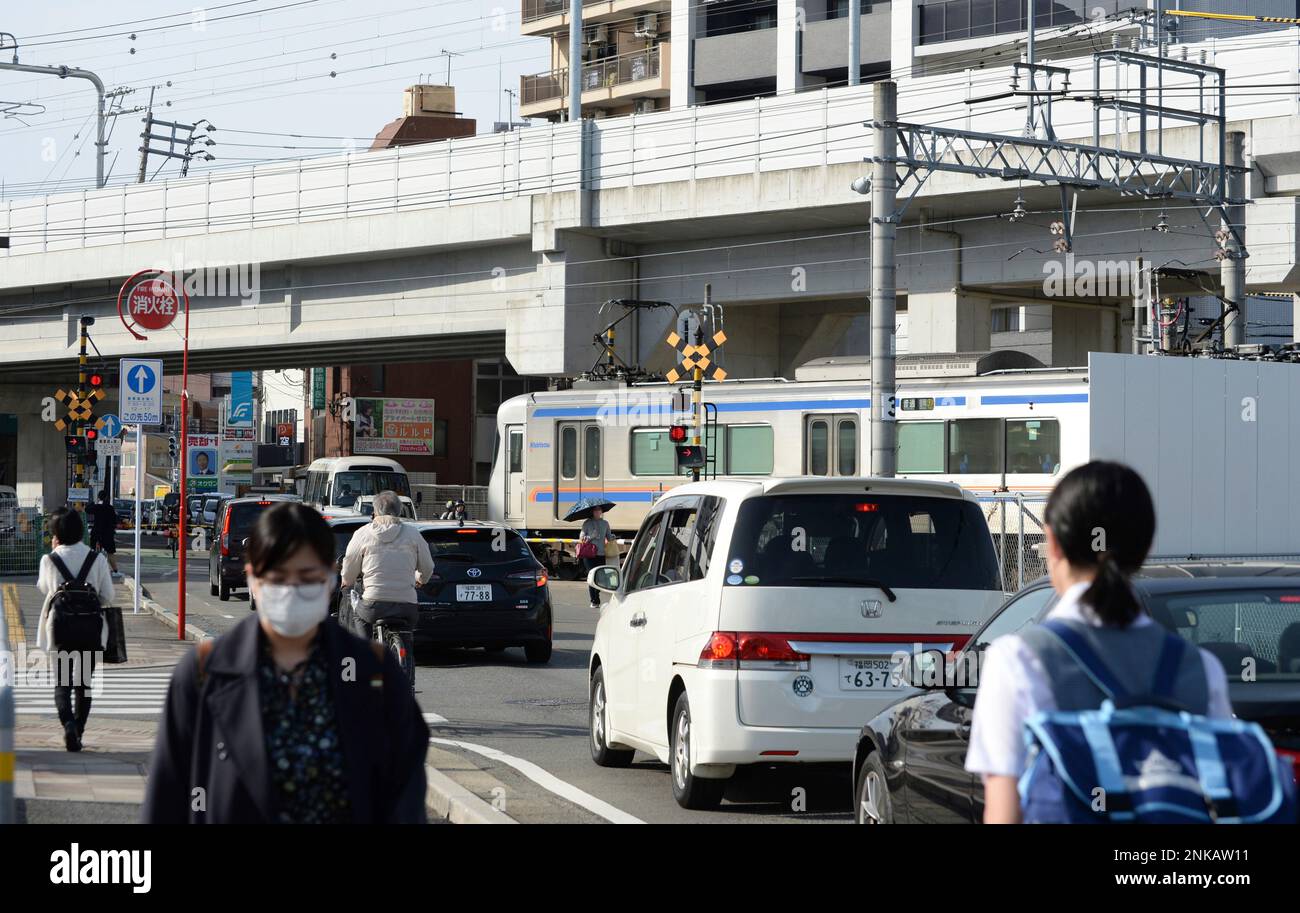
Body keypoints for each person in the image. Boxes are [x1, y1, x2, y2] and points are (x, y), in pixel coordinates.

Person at [965, 461, 1232, 824]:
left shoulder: (1017, 660)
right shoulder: (1202, 670)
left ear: (1053, 543)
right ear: (1147, 546)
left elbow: (1004, 811)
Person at [142, 501, 429, 823]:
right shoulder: (204, 672)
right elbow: (166, 800)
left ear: (329, 579)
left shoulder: (374, 672)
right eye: (278, 578)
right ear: (252, 578)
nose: (292, 590)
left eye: (307, 577)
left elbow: (405, 800)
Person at [37, 507, 115, 752]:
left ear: (55, 533)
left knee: (62, 683)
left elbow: (43, 588)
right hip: (90, 628)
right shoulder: (97, 558)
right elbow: (108, 596)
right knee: (84, 683)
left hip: (61, 627)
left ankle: (68, 724)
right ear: (82, 531)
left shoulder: (50, 560)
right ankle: (78, 731)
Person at [341, 490, 432, 641]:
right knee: (407, 631)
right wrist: (421, 579)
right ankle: (405, 652)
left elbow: (350, 562)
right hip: (407, 605)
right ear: (399, 510)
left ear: (375, 511)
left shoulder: (362, 534)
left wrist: (347, 580)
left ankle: (367, 654)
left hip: (374, 605)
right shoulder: (413, 534)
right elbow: (427, 566)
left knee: (358, 614)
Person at [579, 506, 616, 609]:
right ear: (592, 512)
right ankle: (594, 600)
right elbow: (581, 538)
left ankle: (597, 595)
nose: (597, 512)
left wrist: (612, 537)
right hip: (589, 554)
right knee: (592, 576)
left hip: (601, 554)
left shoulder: (605, 523)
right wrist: (591, 536)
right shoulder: (587, 523)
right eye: (595, 510)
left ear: (601, 511)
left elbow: (609, 537)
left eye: (599, 510)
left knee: (600, 577)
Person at [86, 490, 120, 576]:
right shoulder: (110, 508)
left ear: (99, 498)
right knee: (110, 552)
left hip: (96, 532)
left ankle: (91, 570)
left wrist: (93, 502)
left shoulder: (96, 507)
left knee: (93, 551)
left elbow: (87, 509)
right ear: (107, 498)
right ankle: (115, 571)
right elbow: (115, 521)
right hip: (108, 534)